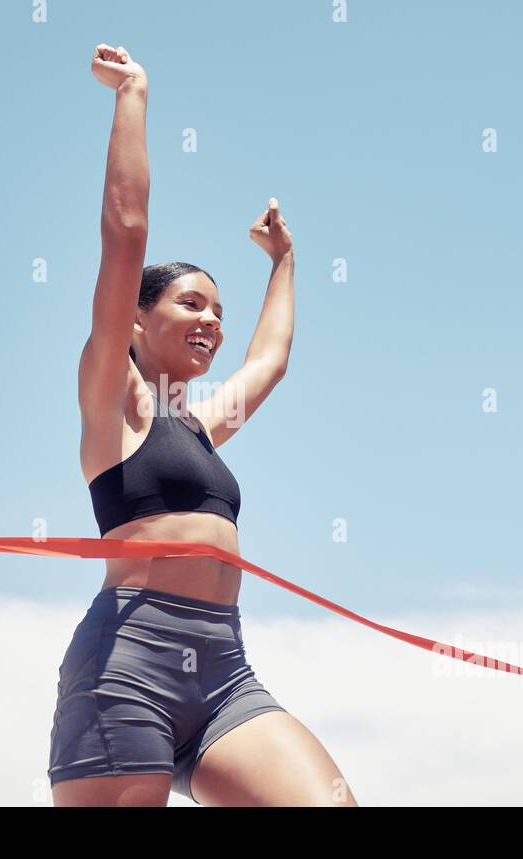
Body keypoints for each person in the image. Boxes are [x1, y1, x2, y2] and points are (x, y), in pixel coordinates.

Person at [47, 44, 357, 807]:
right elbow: (126, 234)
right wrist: (133, 94)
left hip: (223, 671)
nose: (212, 321)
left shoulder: (199, 425)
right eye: (191, 303)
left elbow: (269, 361)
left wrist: (284, 261)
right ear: (136, 320)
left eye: (219, 310)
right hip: (127, 664)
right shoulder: (114, 400)